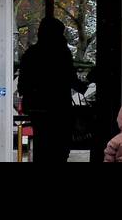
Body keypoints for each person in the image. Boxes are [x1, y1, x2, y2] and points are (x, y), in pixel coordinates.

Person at [18, 17, 86, 163]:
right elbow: (70, 78)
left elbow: (22, 85)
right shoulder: (62, 53)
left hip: (37, 108)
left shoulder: (31, 54)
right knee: (59, 148)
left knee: (42, 146)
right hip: (58, 108)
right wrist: (83, 87)